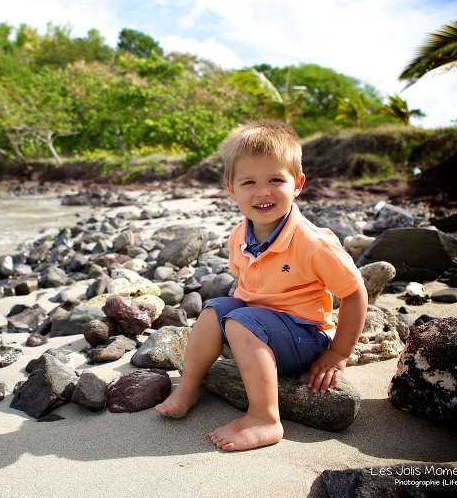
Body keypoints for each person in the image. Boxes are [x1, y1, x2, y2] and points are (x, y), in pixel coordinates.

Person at [156, 121, 367, 451]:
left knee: (240, 323)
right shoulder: (240, 235)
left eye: (275, 180)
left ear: (297, 184)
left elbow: (354, 292)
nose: (263, 191)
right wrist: (232, 324)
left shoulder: (311, 242)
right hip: (260, 328)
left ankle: (265, 418)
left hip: (304, 336)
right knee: (214, 311)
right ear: (232, 189)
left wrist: (339, 353)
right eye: (249, 182)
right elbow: (245, 289)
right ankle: (189, 387)